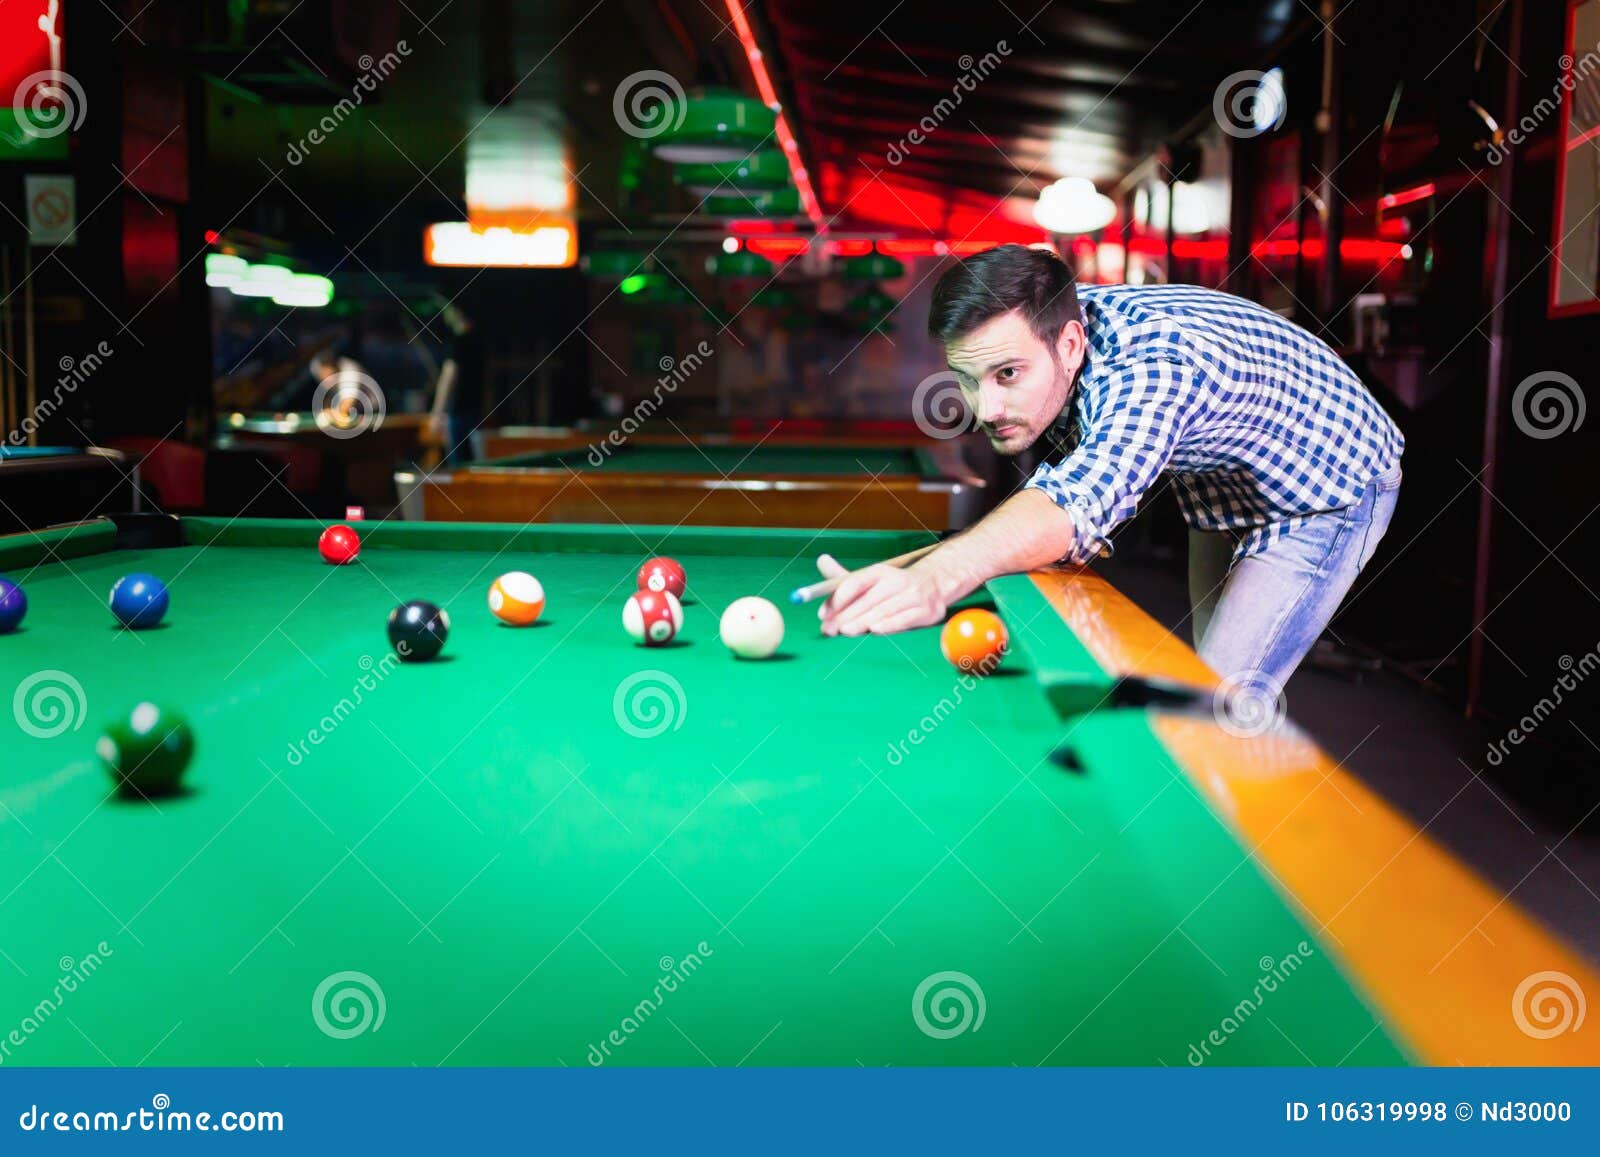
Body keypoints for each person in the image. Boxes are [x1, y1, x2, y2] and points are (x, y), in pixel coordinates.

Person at [818, 244, 1404, 688]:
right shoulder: (1055, 326)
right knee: (1206, 678)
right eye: (969, 380)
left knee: (1224, 696)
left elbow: (1077, 500)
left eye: (1007, 375)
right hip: (1223, 482)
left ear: (1071, 345)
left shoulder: (1152, 370)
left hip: (1328, 485)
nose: (985, 408)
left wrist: (934, 577)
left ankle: (1249, 842)